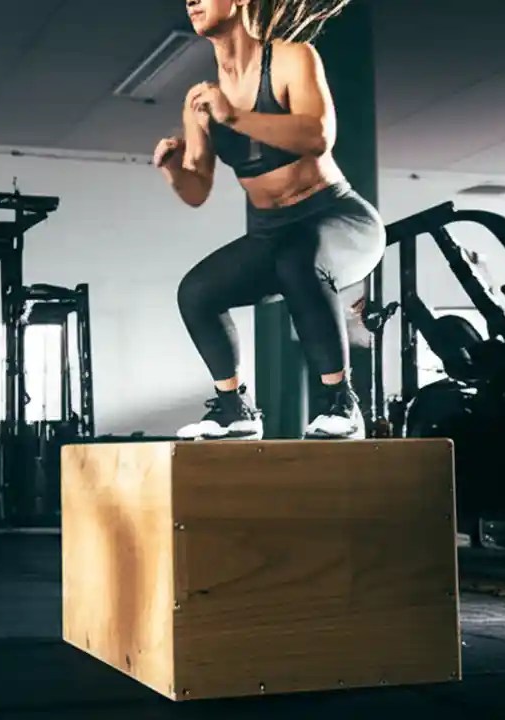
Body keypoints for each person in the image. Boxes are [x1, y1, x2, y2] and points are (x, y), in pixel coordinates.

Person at [154, 0, 384, 441]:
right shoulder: (201, 100)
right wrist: (173, 170)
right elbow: (197, 190)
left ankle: (341, 403)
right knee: (197, 292)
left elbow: (318, 137)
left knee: (298, 259)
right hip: (271, 236)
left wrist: (235, 116)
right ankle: (234, 409)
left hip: (336, 216)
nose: (191, 1)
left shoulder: (291, 59)